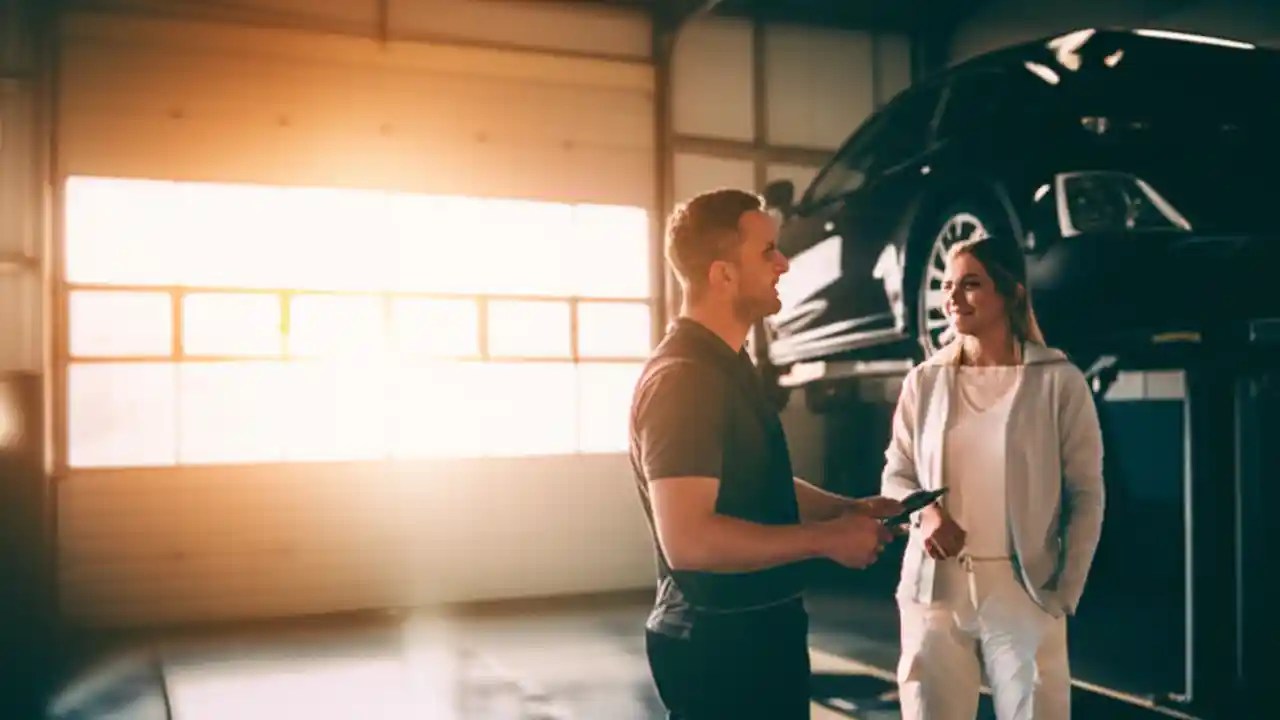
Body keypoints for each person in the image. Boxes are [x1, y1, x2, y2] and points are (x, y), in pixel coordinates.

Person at [630, 188, 904, 719]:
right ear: (722, 274)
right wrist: (826, 541)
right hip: (718, 648)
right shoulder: (684, 380)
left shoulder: (727, 367)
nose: (784, 263)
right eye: (768, 252)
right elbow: (689, 540)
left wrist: (846, 509)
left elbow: (755, 482)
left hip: (758, 633)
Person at [881, 236, 1105, 720]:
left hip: (1024, 589)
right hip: (934, 592)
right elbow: (896, 473)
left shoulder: (1057, 380)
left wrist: (1065, 591)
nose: (953, 298)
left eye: (971, 285)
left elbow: (1086, 494)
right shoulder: (925, 380)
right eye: (947, 285)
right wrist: (927, 514)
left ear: (1011, 293)